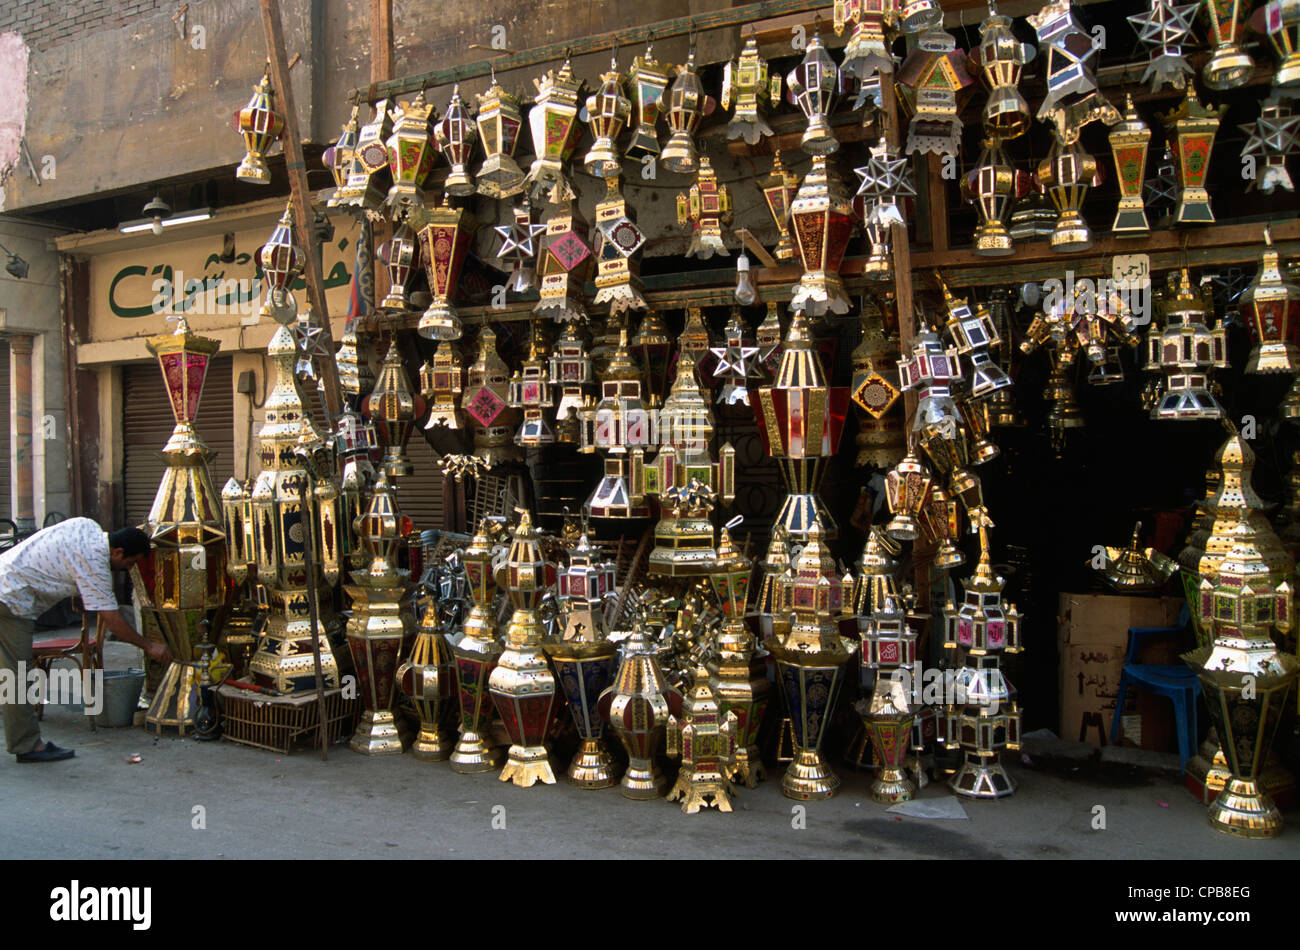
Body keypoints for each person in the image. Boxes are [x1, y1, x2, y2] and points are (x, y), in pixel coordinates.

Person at [0, 518, 172, 762]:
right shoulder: (96, 565)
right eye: (129, 562)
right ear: (117, 551)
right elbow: (113, 621)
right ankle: (27, 746)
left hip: (5, 576)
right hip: (11, 599)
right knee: (17, 675)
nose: (126, 568)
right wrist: (150, 646)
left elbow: (63, 555)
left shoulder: (87, 526)